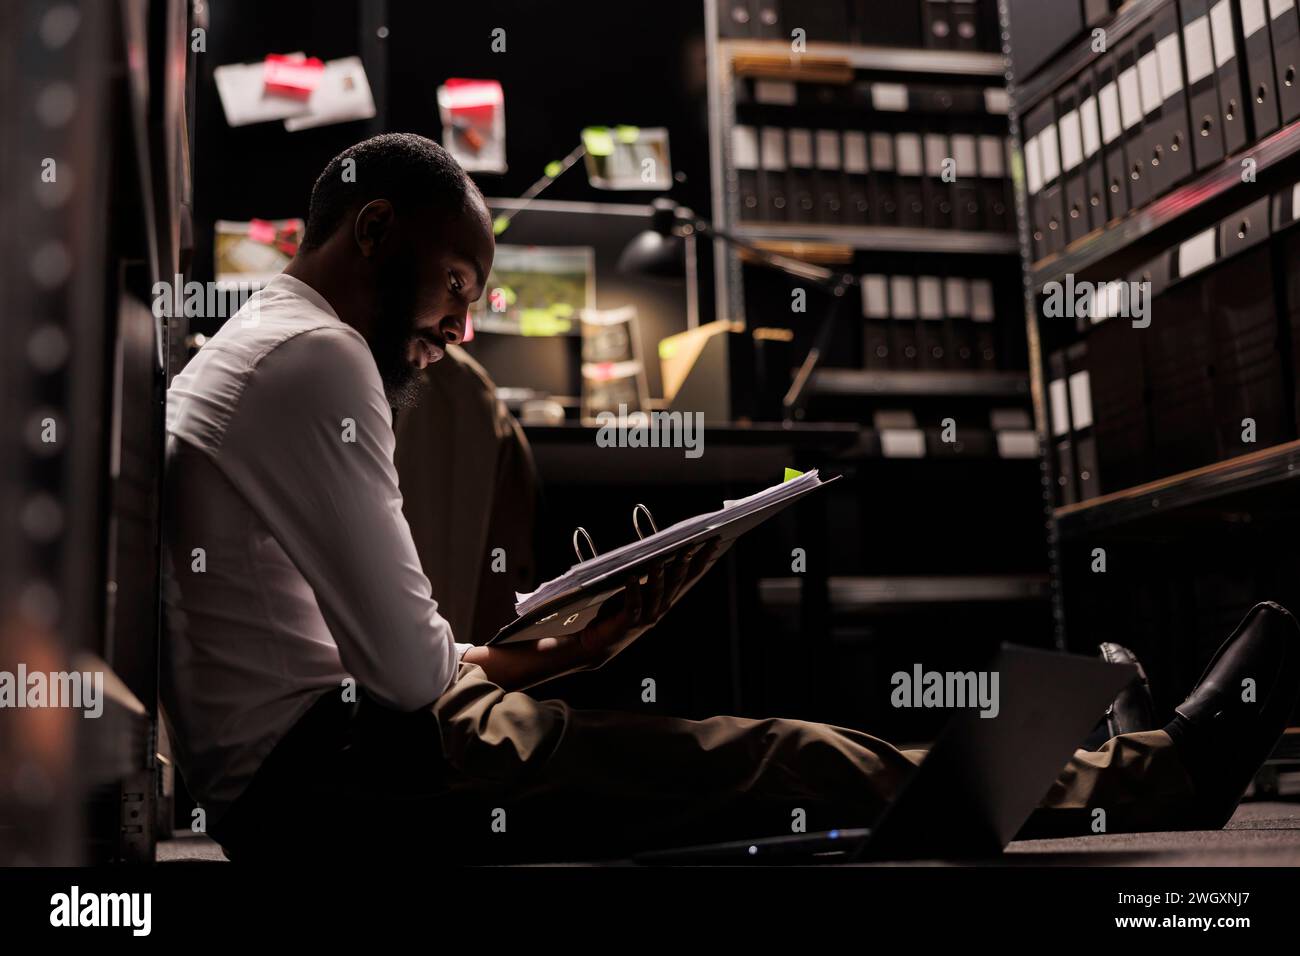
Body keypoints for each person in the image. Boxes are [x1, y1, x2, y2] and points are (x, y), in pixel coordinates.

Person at [160, 133, 1300, 862]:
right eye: (458, 288)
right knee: (778, 758)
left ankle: (1110, 767)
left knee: (762, 754)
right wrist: (540, 657)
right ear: (374, 232)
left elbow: (394, 663)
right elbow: (409, 676)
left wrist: (567, 647)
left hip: (327, 770)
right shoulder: (315, 359)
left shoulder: (258, 345)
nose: (461, 329)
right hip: (340, 786)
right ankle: (1164, 774)